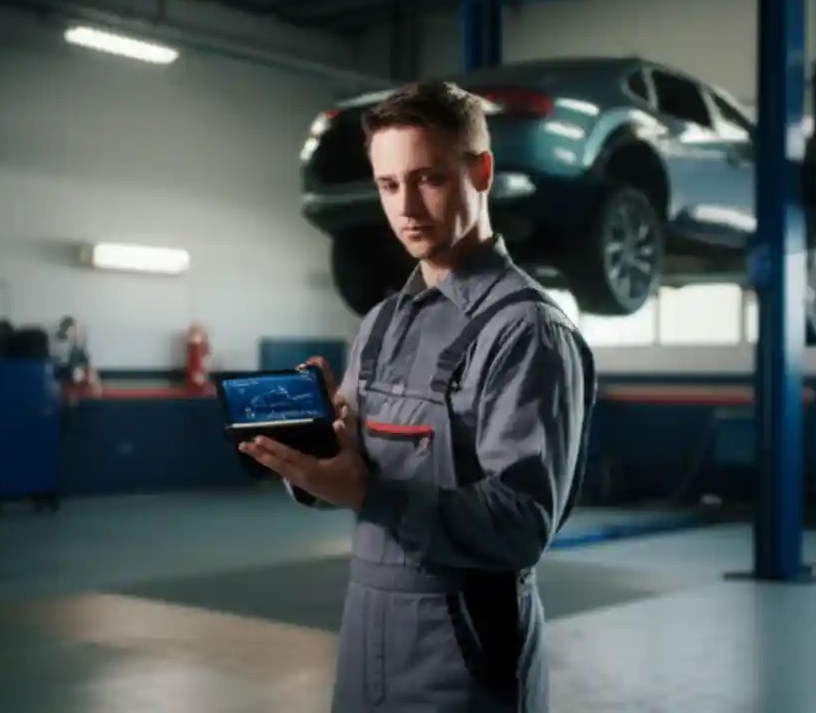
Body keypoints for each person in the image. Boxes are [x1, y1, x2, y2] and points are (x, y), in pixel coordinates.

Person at [240, 80, 596, 712]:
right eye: (387, 185)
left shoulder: (527, 331)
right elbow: (351, 469)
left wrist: (366, 491)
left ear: (481, 171)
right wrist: (316, 449)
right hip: (365, 642)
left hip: (466, 653)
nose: (406, 206)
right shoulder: (382, 323)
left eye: (428, 178)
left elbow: (521, 525)